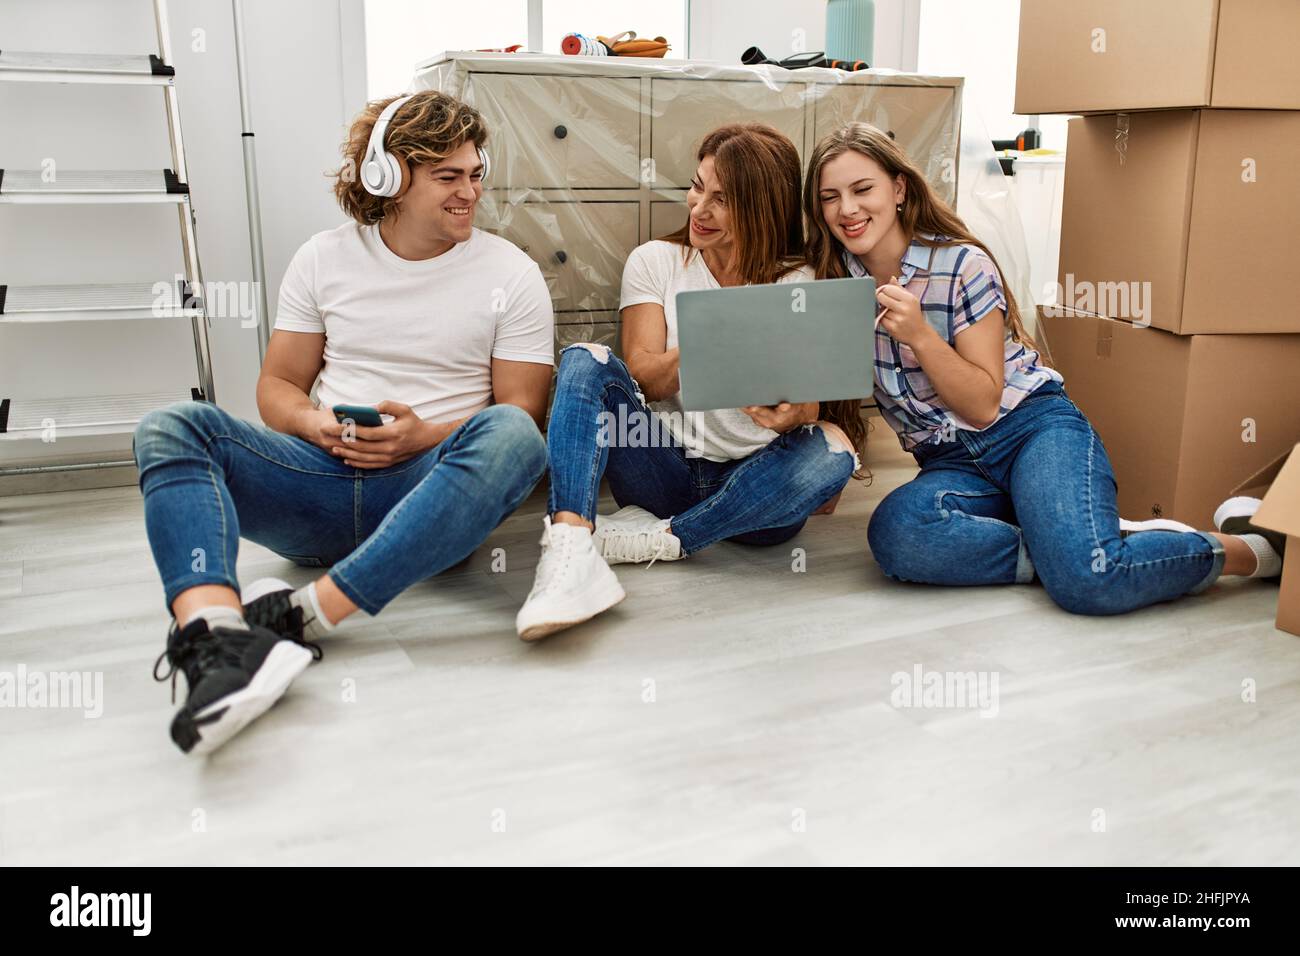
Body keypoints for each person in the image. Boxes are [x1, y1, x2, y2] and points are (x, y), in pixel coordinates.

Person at [134, 91, 553, 754]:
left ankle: (302, 615)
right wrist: (311, 421)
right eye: (448, 177)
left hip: (427, 489)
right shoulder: (323, 258)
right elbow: (276, 385)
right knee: (171, 425)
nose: (469, 192)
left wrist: (424, 436)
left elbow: (522, 409)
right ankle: (214, 637)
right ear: (387, 177)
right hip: (317, 481)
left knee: (514, 436)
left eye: (475, 174)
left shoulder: (512, 273)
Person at [803, 122, 1284, 615]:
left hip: (1031, 431)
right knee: (899, 534)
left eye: (863, 189)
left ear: (899, 188)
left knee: (1091, 584)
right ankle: (1069, 546)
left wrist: (922, 335)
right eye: (829, 197)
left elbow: (986, 404)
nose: (847, 209)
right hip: (951, 464)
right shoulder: (830, 284)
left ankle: (1254, 549)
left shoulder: (962, 265)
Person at [515, 124, 864, 642]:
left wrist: (791, 414)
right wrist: (718, 331)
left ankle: (668, 539)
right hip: (660, 467)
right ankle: (569, 550)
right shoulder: (656, 261)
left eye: (723, 200)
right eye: (698, 186)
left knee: (835, 449)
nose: (699, 208)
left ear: (763, 207)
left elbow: (808, 408)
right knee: (585, 359)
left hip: (754, 487)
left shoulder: (802, 279)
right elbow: (644, 378)